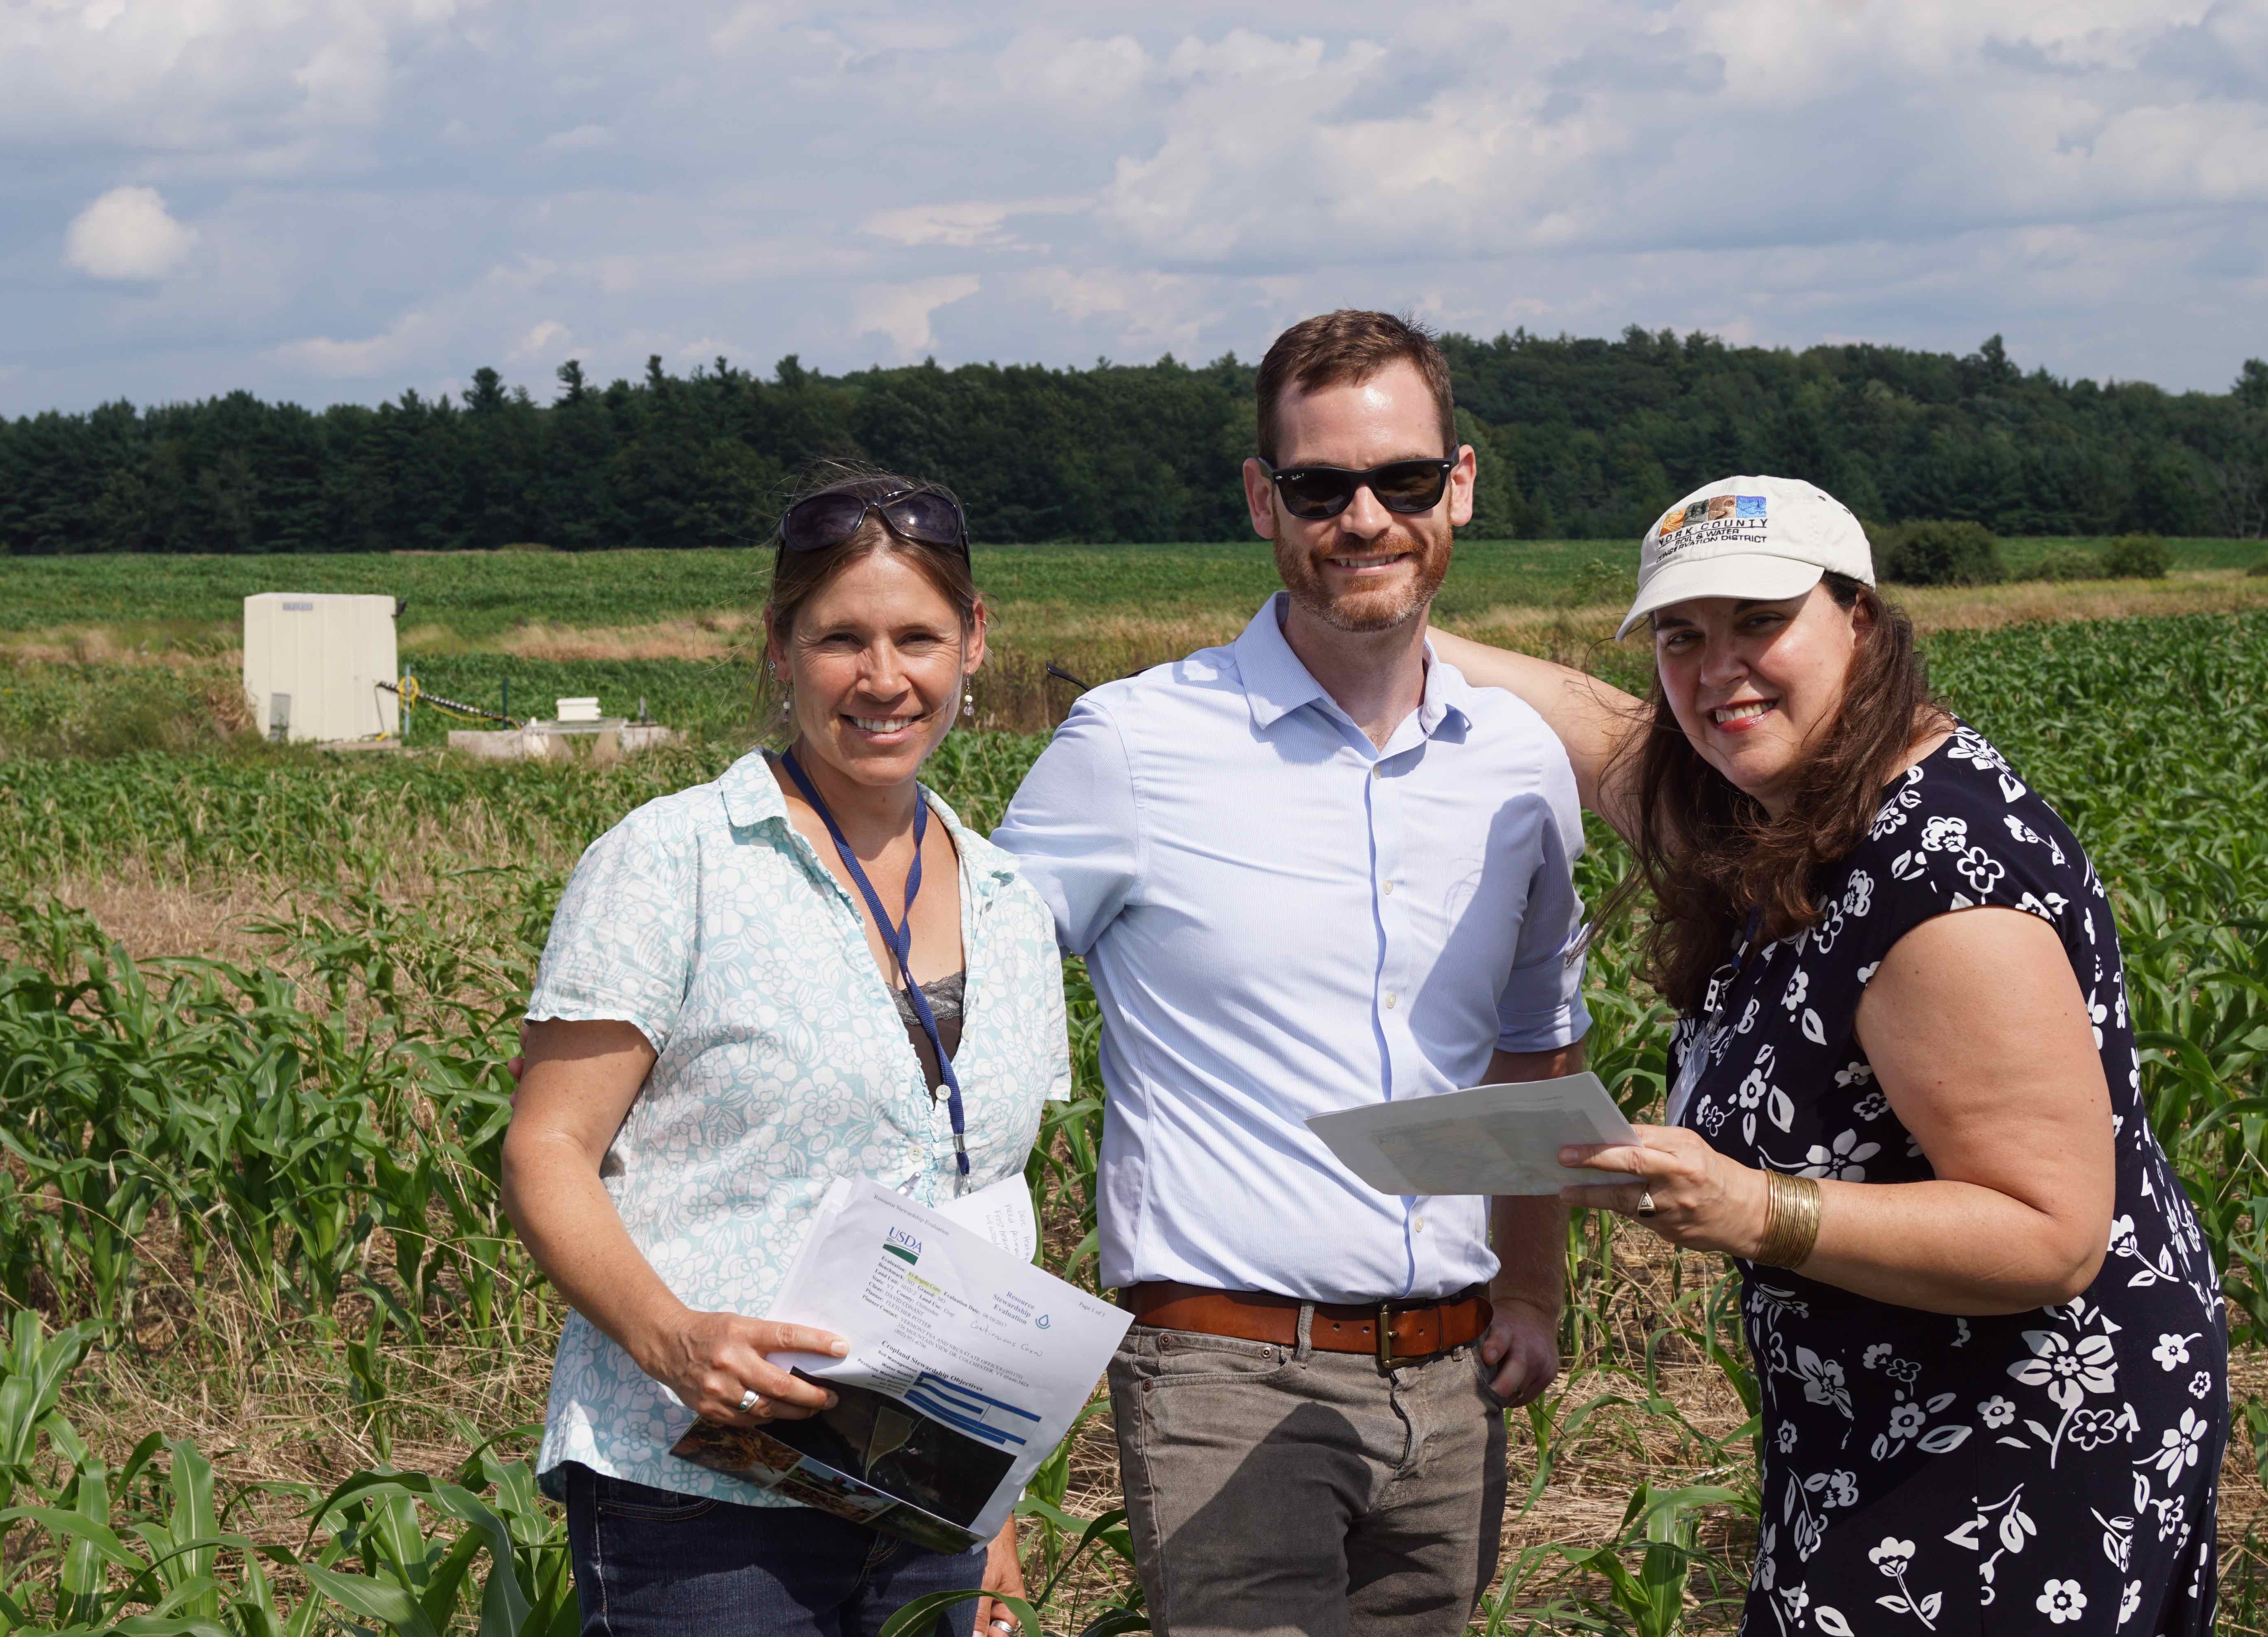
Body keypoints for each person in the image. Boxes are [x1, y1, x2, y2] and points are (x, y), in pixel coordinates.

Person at [1431, 475, 2228, 1634]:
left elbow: (2050, 1235)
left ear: (1859, 616)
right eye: (1680, 635)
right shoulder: (1796, 817)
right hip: (1884, 1422)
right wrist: (1379, 620)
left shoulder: (1938, 881)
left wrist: (1753, 1209)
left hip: (2025, 1441)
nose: (1719, 670)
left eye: (1761, 621)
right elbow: (1596, 728)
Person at [992, 311, 1589, 1637]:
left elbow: (1536, 1043)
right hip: (1227, 1376)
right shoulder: (1132, 748)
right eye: (1322, 488)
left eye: (1404, 481)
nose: (1365, 519)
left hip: (1455, 1385)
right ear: (1264, 501)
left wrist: (1533, 1289)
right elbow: (964, 1030)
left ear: (1462, 486)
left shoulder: (1519, 763)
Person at [500, 470, 1072, 1637]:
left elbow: (983, 1199)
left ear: (973, 641)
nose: (883, 678)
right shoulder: (672, 862)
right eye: (840, 639)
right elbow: (544, 1151)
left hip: (927, 1497)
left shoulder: (1010, 899)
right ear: (780, 648)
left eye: (918, 638)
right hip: (703, 1497)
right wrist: (675, 1340)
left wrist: (994, 1512)